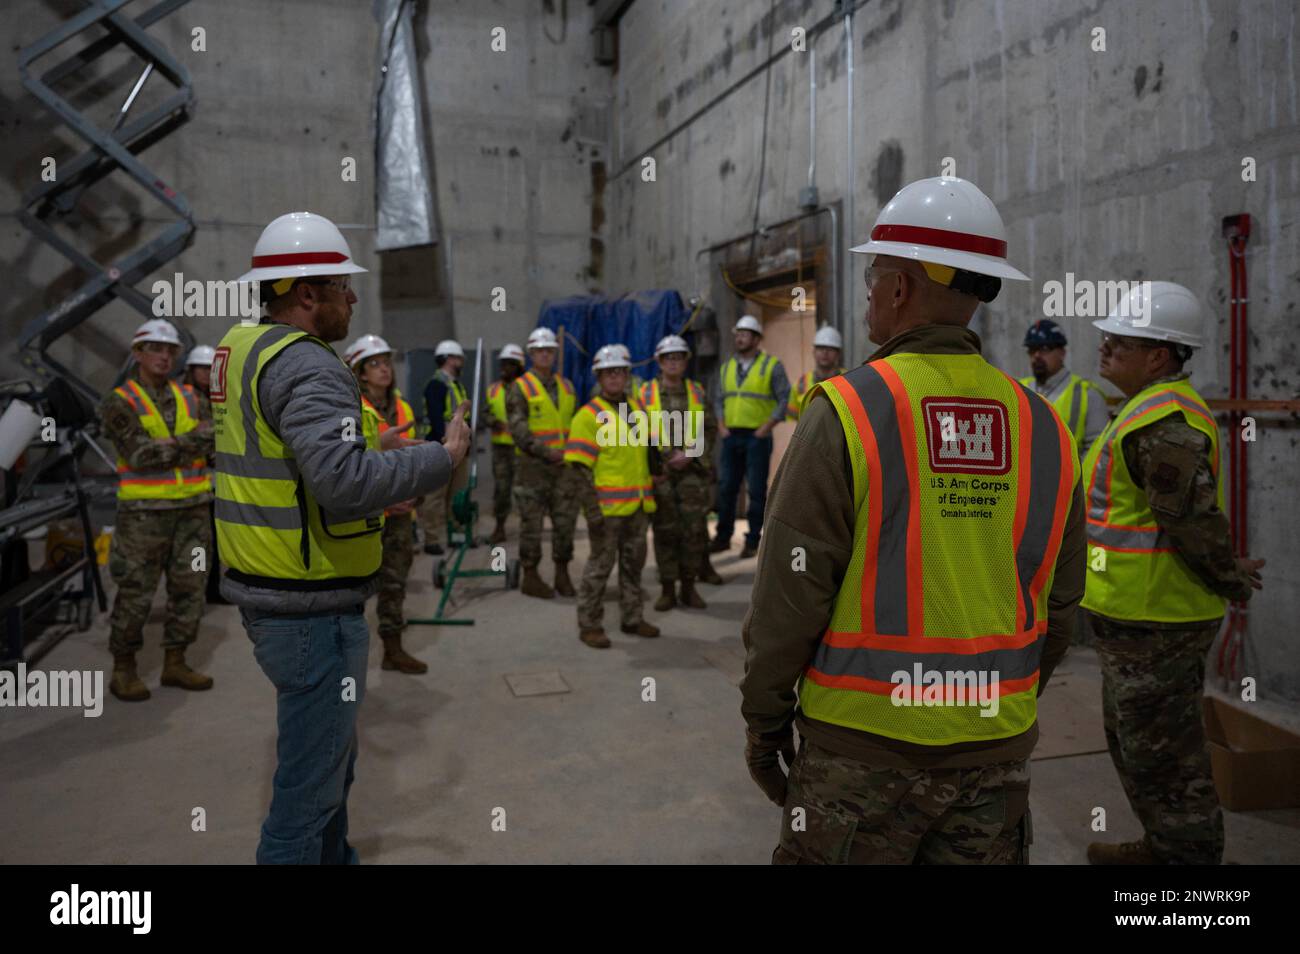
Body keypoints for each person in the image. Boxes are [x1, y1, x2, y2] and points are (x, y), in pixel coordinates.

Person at [740, 176, 1084, 864]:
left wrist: (764, 721)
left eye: (874, 277)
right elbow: (1062, 602)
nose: (869, 293)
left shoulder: (847, 410)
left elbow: (790, 594)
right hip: (994, 756)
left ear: (899, 288)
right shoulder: (1045, 428)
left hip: (859, 756)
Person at [217, 211, 468, 864]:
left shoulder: (242, 347)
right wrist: (441, 458)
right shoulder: (310, 365)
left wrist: (377, 451)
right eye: (343, 287)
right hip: (308, 604)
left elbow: (295, 460)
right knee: (306, 796)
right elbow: (343, 482)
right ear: (307, 293)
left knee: (329, 766)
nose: (352, 300)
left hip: (272, 586)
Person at [1081, 282, 1265, 866]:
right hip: (1135, 618)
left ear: (1158, 356)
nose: (1104, 349)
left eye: (1119, 342)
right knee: (1137, 746)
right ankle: (1163, 848)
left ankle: (1188, 870)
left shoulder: (1163, 424)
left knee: (1165, 758)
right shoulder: (1142, 412)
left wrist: (1229, 575)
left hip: (1158, 621)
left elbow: (1190, 521)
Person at [100, 319, 215, 701]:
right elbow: (139, 455)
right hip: (143, 517)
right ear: (137, 353)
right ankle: (124, 668)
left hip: (193, 513)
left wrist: (172, 444)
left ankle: (175, 662)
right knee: (136, 591)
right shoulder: (120, 401)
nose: (164, 356)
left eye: (170, 350)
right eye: (155, 349)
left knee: (191, 587)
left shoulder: (191, 397)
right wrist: (191, 440)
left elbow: (214, 439)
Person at [565, 345, 659, 647]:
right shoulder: (588, 416)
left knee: (633, 566)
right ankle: (589, 625)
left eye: (620, 371)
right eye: (609, 373)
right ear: (599, 377)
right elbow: (579, 470)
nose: (615, 377)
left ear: (627, 375)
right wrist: (592, 511)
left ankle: (632, 618)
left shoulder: (637, 409)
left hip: (638, 506)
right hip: (607, 511)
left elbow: (644, 454)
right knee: (599, 569)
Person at [346, 333, 426, 675]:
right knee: (351, 589)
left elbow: (415, 456)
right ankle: (345, 659)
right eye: (375, 364)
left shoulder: (403, 407)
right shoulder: (349, 407)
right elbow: (345, 464)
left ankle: (392, 649)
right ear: (361, 373)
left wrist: (415, 492)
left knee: (395, 582)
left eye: (386, 362)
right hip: (363, 515)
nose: (384, 369)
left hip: (400, 515)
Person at [639, 335, 716, 611]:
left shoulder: (697, 391)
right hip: (661, 474)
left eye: (678, 358)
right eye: (668, 358)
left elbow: (709, 428)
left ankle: (689, 587)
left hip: (691, 474)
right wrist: (657, 463)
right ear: (659, 362)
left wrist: (691, 454)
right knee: (665, 532)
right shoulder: (644, 393)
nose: (673, 363)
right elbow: (636, 431)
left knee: (693, 532)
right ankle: (668, 589)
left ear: (685, 362)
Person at [506, 327, 579, 599]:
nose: (545, 355)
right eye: (540, 351)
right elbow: (519, 431)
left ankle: (562, 573)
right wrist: (549, 453)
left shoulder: (567, 386)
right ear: (531, 354)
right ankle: (531, 576)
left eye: (549, 350)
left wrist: (571, 452)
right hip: (532, 469)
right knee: (532, 525)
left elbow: (577, 425)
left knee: (565, 522)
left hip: (564, 469)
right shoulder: (520, 387)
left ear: (555, 354)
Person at [711, 314, 789, 558]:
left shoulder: (771, 365)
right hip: (731, 435)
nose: (740, 338)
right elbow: (719, 399)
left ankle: (753, 539)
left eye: (745, 334)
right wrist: (721, 426)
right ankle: (723, 537)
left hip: (757, 437)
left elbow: (784, 398)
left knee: (756, 490)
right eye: (739, 334)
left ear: (756, 339)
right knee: (727, 487)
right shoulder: (727, 367)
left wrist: (765, 428)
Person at [1019, 318, 1109, 455]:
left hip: (1071, 468)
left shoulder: (1087, 394)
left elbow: (1098, 451)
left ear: (1062, 353)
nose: (1036, 355)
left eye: (1044, 349)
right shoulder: (1019, 389)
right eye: (1032, 350)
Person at [184, 344, 226, 605]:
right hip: (191, 484)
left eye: (210, 368)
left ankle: (211, 589)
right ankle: (195, 591)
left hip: (213, 482)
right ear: (191, 370)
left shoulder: (218, 399)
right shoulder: (184, 398)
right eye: (201, 368)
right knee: (196, 545)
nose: (206, 373)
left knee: (212, 541)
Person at [419, 339, 469, 555]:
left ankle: (456, 535)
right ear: (448, 359)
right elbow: (436, 417)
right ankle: (431, 539)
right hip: (441, 448)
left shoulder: (456, 385)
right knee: (435, 497)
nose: (461, 362)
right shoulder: (436, 385)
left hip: (459, 448)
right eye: (458, 358)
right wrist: (446, 443)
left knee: (457, 496)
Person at [485, 343, 525, 544]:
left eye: (509, 364)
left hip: (523, 449)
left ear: (518, 366)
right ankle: (499, 527)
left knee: (524, 492)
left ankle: (528, 531)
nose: (504, 368)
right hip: (501, 449)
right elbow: (485, 413)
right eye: (502, 363)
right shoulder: (493, 390)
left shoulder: (527, 389)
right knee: (501, 490)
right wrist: (494, 422)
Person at [786, 325, 847, 422]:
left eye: (830, 349)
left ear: (838, 353)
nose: (825, 352)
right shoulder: (800, 384)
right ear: (814, 351)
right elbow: (793, 415)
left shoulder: (849, 379)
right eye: (821, 348)